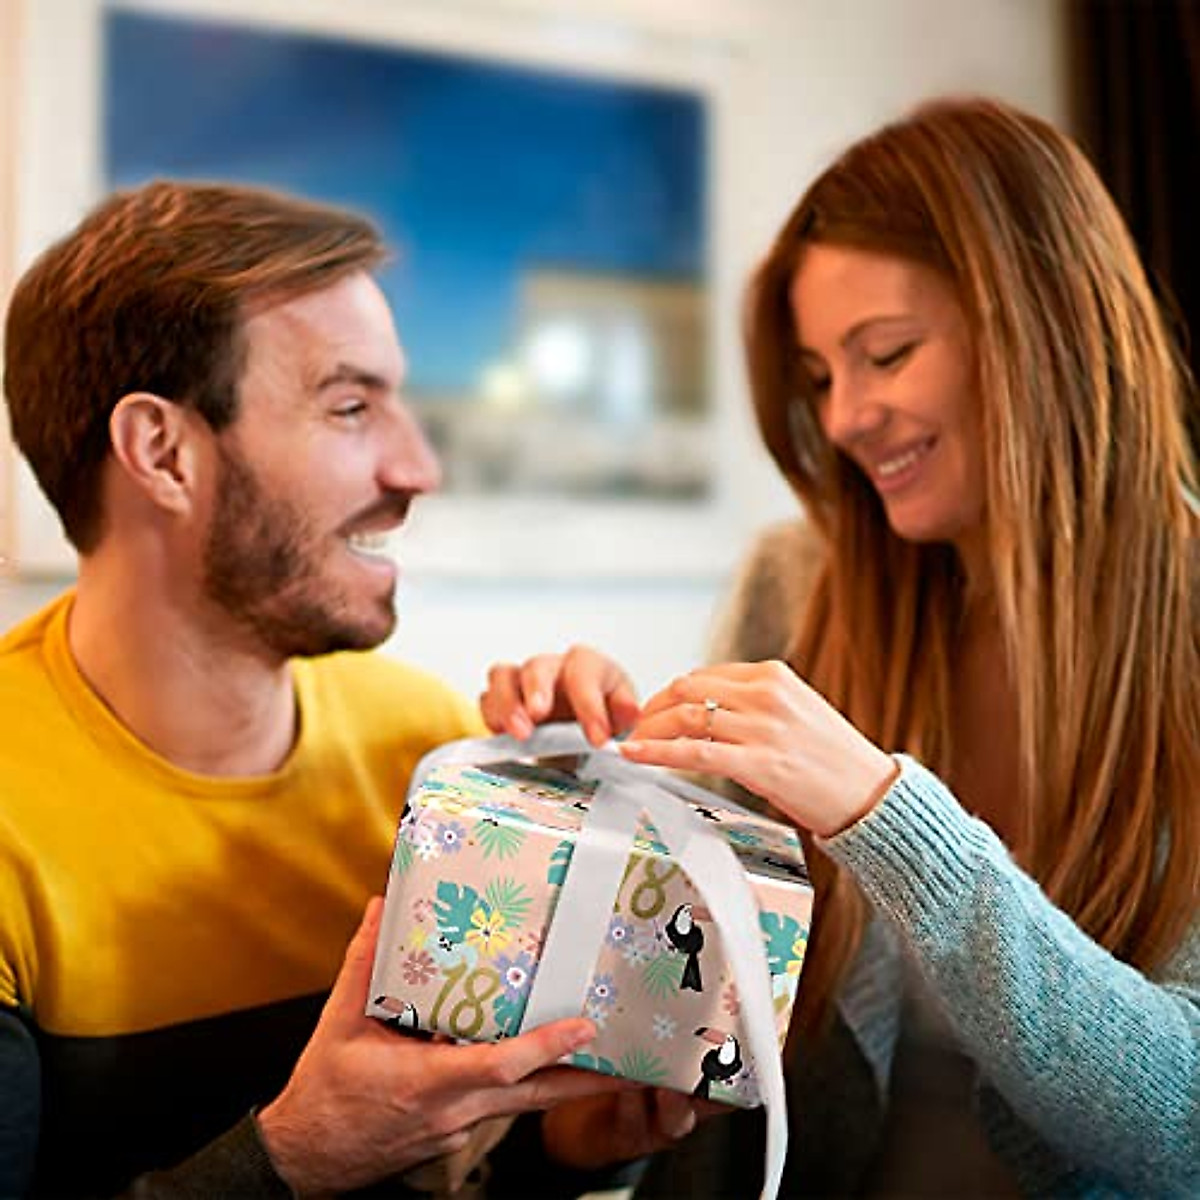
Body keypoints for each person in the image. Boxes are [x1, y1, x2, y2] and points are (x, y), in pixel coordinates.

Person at [482, 97, 1200, 1197]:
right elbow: (693, 993)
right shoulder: (799, 585)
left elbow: (1184, 1122)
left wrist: (889, 819)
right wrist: (599, 781)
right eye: (820, 377)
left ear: (1044, 327)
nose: (845, 418)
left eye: (887, 354)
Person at [0, 181, 692, 1198]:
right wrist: (292, 1158)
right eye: (351, 407)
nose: (418, 468)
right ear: (162, 452)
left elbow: (448, 1169)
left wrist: (560, 1141)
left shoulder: (429, 752)